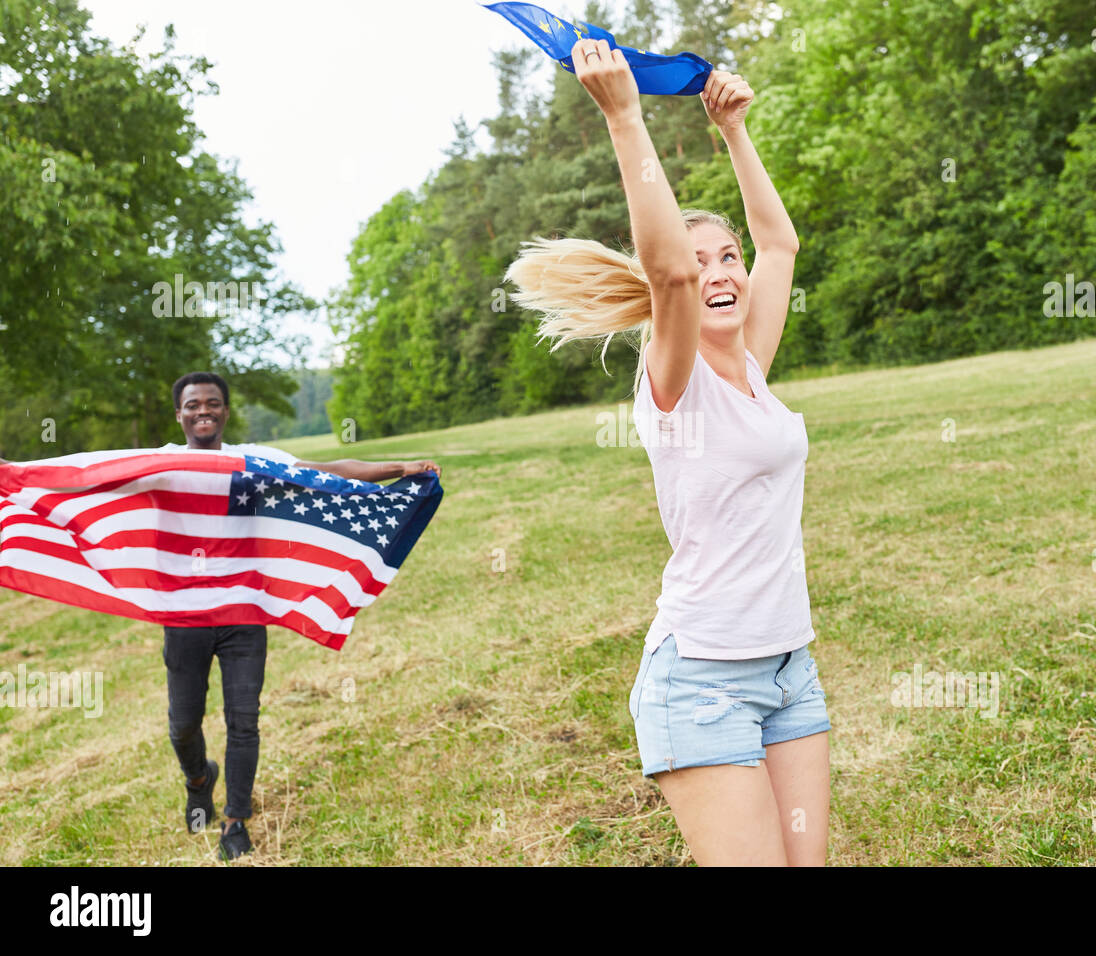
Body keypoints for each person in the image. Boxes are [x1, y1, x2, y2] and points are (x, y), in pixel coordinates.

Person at [505, 41, 829, 866]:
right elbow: (671, 281)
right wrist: (623, 117)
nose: (718, 272)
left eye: (726, 258)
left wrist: (735, 132)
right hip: (703, 680)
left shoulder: (752, 363)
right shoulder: (674, 383)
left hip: (790, 670)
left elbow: (781, 246)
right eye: (699, 261)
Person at [162, 370, 440, 860]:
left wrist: (399, 466)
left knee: (243, 720)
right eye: (192, 405)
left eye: (212, 403)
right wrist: (14, 473)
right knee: (183, 723)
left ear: (225, 411)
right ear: (179, 413)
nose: (202, 411)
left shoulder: (253, 461)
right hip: (184, 614)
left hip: (245, 611)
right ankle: (199, 778)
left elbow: (332, 470)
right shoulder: (159, 462)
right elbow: (78, 474)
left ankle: (234, 822)